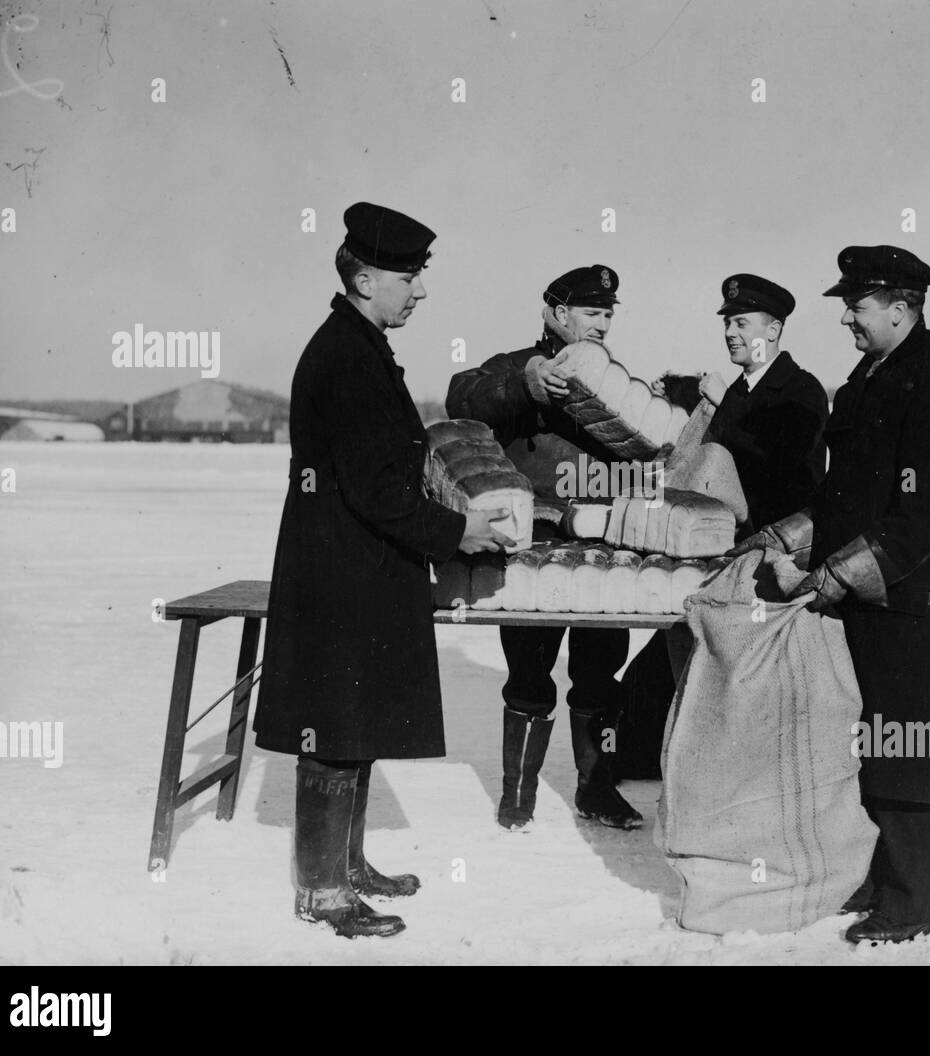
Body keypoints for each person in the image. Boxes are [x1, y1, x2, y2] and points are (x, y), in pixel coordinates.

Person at [253, 202, 512, 939]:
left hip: (356, 566)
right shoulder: (346, 355)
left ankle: (348, 863)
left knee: (352, 720)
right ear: (365, 278)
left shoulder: (357, 344)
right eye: (407, 276)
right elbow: (375, 489)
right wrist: (458, 530)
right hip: (343, 573)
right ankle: (323, 891)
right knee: (333, 728)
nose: (419, 291)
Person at [732, 246, 930, 944]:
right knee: (868, 747)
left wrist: (831, 578)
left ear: (901, 309)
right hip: (866, 608)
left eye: (857, 305)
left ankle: (912, 903)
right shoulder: (870, 380)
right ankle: (878, 881)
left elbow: (920, 520)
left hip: (910, 608)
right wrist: (784, 537)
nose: (845, 317)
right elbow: (844, 498)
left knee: (909, 752)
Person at [445, 266, 643, 831]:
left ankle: (597, 791)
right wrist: (525, 383)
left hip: (604, 543)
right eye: (590, 312)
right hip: (533, 546)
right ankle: (518, 796)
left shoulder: (615, 379)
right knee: (529, 671)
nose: (602, 323)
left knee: (601, 670)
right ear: (555, 313)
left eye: (608, 313)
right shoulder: (515, 365)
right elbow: (463, 393)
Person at [655, 274, 829, 679]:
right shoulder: (739, 390)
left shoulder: (802, 390)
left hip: (774, 568)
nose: (731, 334)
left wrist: (727, 405)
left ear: (774, 329)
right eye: (727, 324)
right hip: (724, 560)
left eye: (742, 323)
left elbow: (783, 461)